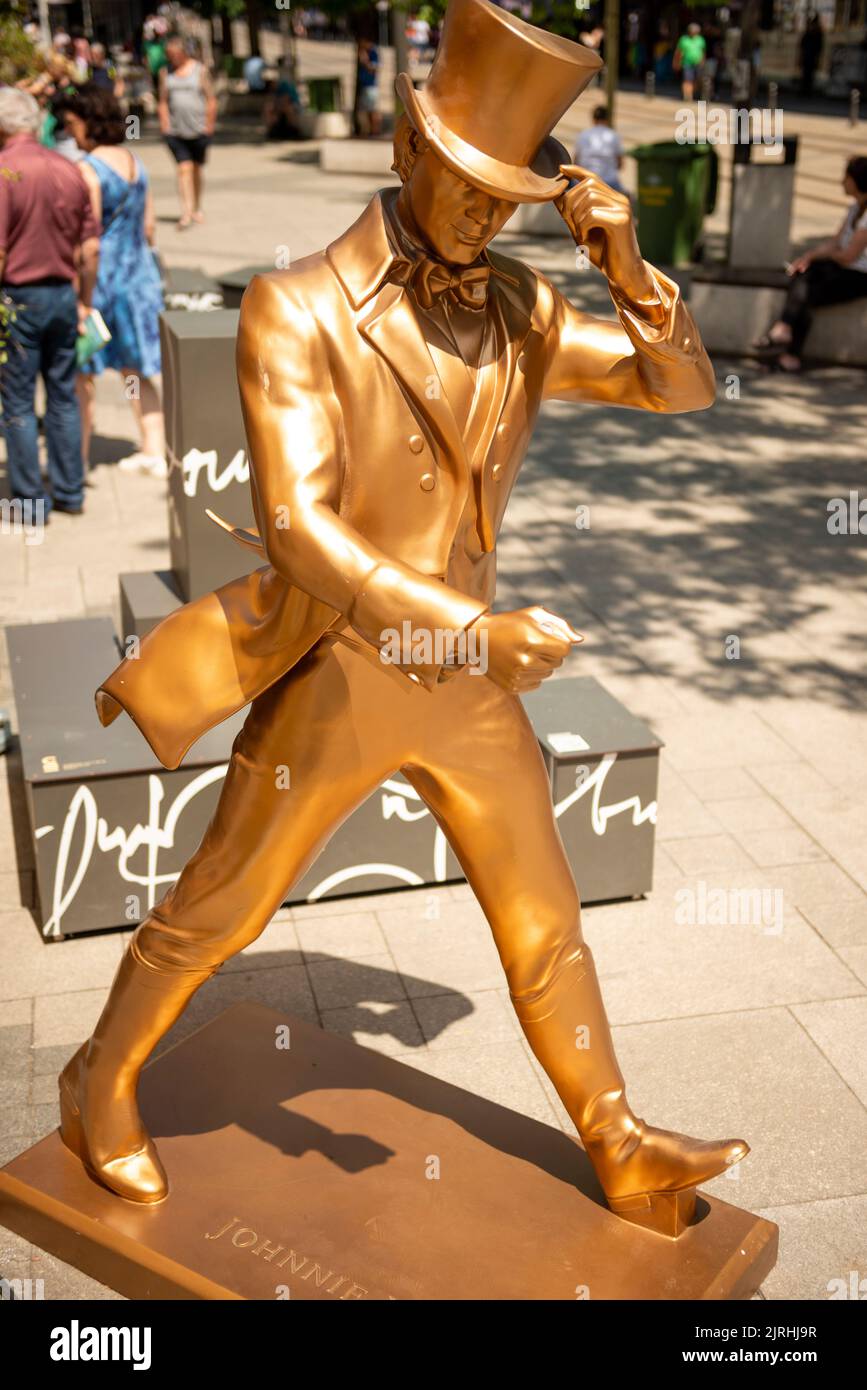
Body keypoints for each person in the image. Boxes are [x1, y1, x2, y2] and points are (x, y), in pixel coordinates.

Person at [64, 0, 747, 1229]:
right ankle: (98, 1077)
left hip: (470, 693)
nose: (487, 216)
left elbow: (678, 389)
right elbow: (300, 530)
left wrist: (630, 267)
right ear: (407, 153)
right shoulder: (296, 309)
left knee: (545, 916)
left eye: (510, 197)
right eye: (469, 188)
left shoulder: (528, 311)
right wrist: (471, 629)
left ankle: (617, 1137)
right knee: (224, 899)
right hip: (343, 671)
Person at [0, 88, 99, 516]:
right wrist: (84, 301)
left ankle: (29, 501)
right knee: (62, 395)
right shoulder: (68, 167)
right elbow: (90, 247)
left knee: (19, 401)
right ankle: (70, 493)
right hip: (62, 293)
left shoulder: (5, 172)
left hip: (17, 297)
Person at [63, 84, 165, 475]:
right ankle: (154, 449)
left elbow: (83, 241)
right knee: (134, 367)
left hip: (99, 280)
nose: (70, 133)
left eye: (73, 124)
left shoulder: (86, 171)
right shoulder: (135, 161)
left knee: (82, 370)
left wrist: (78, 292)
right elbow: (150, 227)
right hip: (137, 277)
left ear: (90, 121)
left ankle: (78, 457)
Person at [754, 156, 867, 373]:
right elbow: (836, 243)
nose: (842, 182)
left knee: (807, 293)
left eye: (846, 178)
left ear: (857, 181)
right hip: (844, 269)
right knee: (802, 273)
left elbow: (848, 256)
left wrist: (819, 256)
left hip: (860, 277)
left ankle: (786, 337)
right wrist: (808, 257)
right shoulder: (855, 208)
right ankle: (786, 339)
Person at [158, 35, 217, 230]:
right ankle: (186, 211)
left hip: (198, 128)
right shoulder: (165, 73)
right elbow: (163, 100)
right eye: (169, 55)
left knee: (196, 169)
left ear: (184, 53)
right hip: (176, 131)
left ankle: (197, 206)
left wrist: (209, 124)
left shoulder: (200, 70)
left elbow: (211, 99)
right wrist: (165, 124)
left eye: (175, 54)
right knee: (183, 169)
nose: (172, 58)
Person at [573, 104, 625, 195]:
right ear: (607, 119)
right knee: (626, 201)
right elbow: (620, 164)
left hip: (586, 181)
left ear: (593, 119)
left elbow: (576, 161)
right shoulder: (613, 135)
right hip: (609, 183)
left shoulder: (583, 135)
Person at [674, 21, 705, 102]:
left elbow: (703, 52)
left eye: (695, 31)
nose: (693, 32)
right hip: (686, 63)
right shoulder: (684, 39)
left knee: (696, 80)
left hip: (697, 63)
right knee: (687, 79)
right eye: (692, 31)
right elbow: (678, 52)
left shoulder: (700, 40)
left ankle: (692, 93)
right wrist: (676, 62)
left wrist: (702, 62)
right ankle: (687, 96)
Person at [356, 37, 381, 137]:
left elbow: (374, 69)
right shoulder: (364, 51)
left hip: (371, 87)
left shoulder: (373, 53)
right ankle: (367, 131)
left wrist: (365, 60)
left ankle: (375, 131)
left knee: (373, 110)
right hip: (365, 86)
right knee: (365, 110)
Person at [800, 13, 823, 97]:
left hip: (811, 56)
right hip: (808, 56)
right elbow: (802, 44)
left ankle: (807, 91)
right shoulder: (810, 32)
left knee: (809, 75)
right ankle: (805, 91)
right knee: (806, 75)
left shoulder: (817, 32)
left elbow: (819, 46)